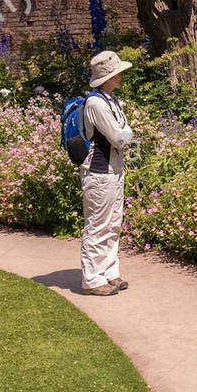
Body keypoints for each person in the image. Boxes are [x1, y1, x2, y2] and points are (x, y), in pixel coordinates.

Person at [80, 50, 135, 296]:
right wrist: (126, 133)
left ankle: (110, 272)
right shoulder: (95, 103)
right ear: (107, 77)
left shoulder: (111, 100)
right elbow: (118, 137)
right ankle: (92, 279)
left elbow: (124, 133)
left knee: (113, 224)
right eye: (118, 73)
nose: (122, 75)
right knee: (97, 225)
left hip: (115, 170)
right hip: (99, 173)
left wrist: (125, 133)